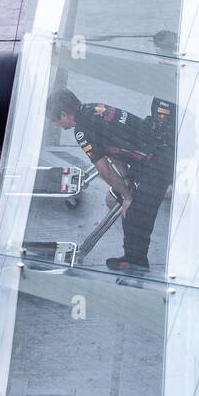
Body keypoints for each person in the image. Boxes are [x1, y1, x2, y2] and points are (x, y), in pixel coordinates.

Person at [47, 88, 174, 275]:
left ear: (64, 114)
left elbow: (104, 170)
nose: (56, 125)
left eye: (55, 121)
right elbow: (112, 151)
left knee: (136, 216)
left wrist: (128, 196)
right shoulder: (94, 108)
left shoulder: (82, 131)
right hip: (151, 150)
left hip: (157, 163)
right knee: (124, 205)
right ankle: (131, 257)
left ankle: (138, 268)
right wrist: (126, 179)